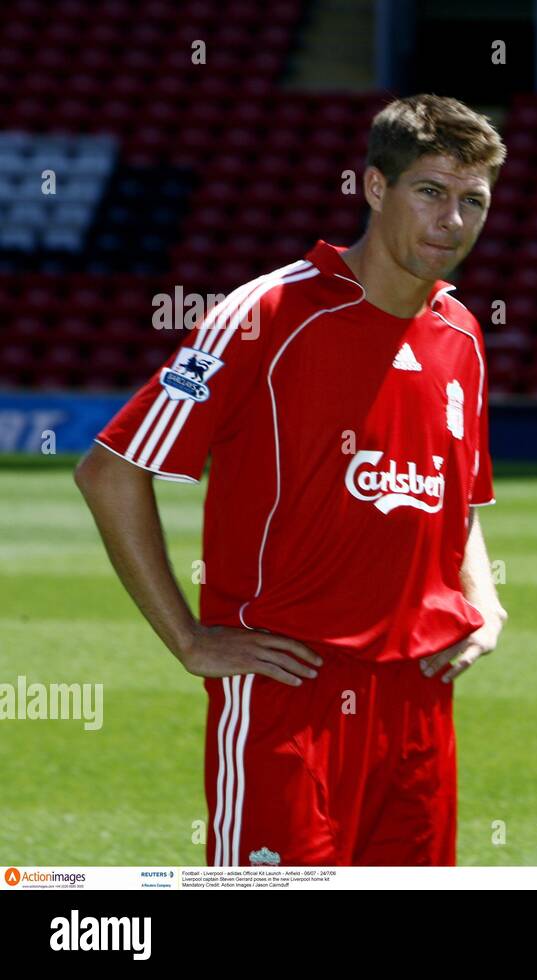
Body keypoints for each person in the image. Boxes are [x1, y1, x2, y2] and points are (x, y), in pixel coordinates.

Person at [74, 93, 508, 866]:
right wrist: (189, 639)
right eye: (431, 192)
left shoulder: (462, 335)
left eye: (473, 200)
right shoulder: (268, 313)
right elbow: (108, 472)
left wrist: (486, 600)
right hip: (290, 688)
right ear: (375, 188)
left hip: (418, 700)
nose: (453, 221)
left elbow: (460, 495)